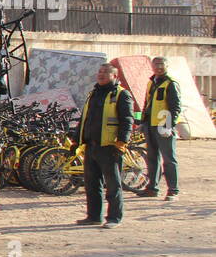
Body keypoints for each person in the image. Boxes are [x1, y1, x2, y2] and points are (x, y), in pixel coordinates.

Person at [73, 63, 135, 229]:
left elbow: (127, 121)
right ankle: (94, 216)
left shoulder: (121, 95)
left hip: (109, 147)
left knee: (113, 185)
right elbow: (85, 118)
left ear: (114, 76)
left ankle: (114, 217)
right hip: (92, 145)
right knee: (92, 184)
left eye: (106, 72)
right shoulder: (93, 93)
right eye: (99, 71)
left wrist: (121, 143)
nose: (101, 74)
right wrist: (77, 138)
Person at [139, 56, 181, 200]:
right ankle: (152, 188)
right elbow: (147, 103)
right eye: (156, 64)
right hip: (150, 125)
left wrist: (169, 126)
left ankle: (173, 190)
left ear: (167, 66)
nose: (158, 67)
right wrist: (143, 121)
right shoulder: (151, 82)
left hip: (163, 126)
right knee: (152, 158)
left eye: (161, 64)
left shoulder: (171, 84)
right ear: (152, 66)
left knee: (169, 159)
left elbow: (175, 108)